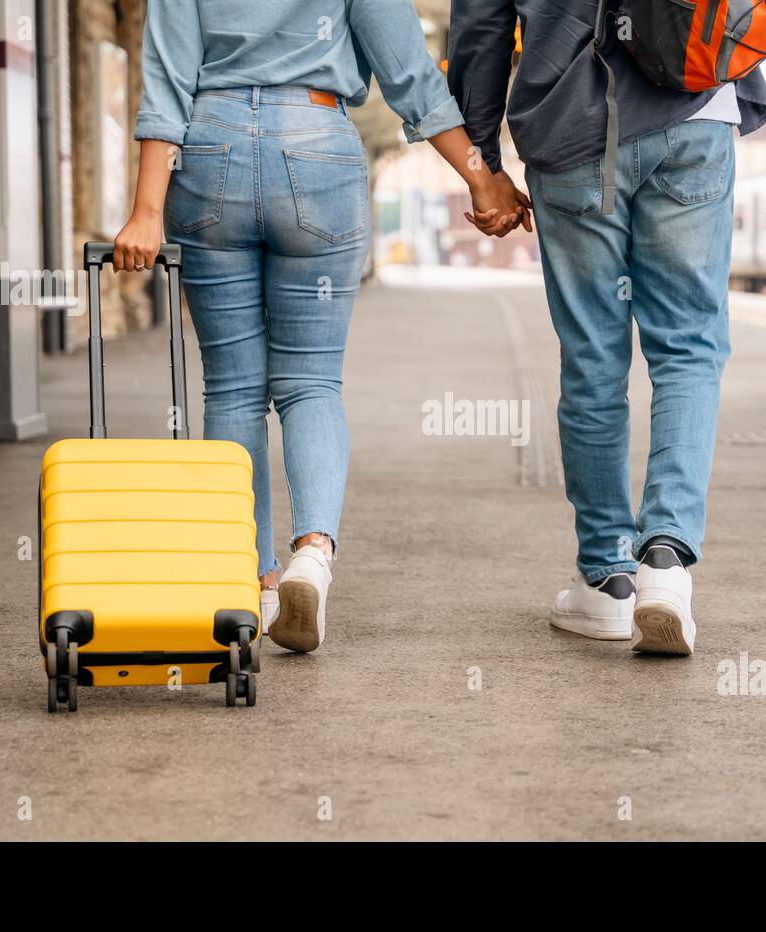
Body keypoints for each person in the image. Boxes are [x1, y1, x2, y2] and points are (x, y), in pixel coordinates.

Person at [115, 0, 526, 653]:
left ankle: (250, 580)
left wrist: (145, 210)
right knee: (309, 382)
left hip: (208, 151)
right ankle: (312, 552)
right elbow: (410, 77)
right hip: (317, 148)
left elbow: (165, 84)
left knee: (231, 390)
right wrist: (482, 179)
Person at [448, 0, 766, 656]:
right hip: (694, 112)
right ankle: (665, 562)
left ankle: (608, 579)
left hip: (571, 126)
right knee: (688, 345)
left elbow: (481, 24)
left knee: (593, 354)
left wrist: (482, 163)